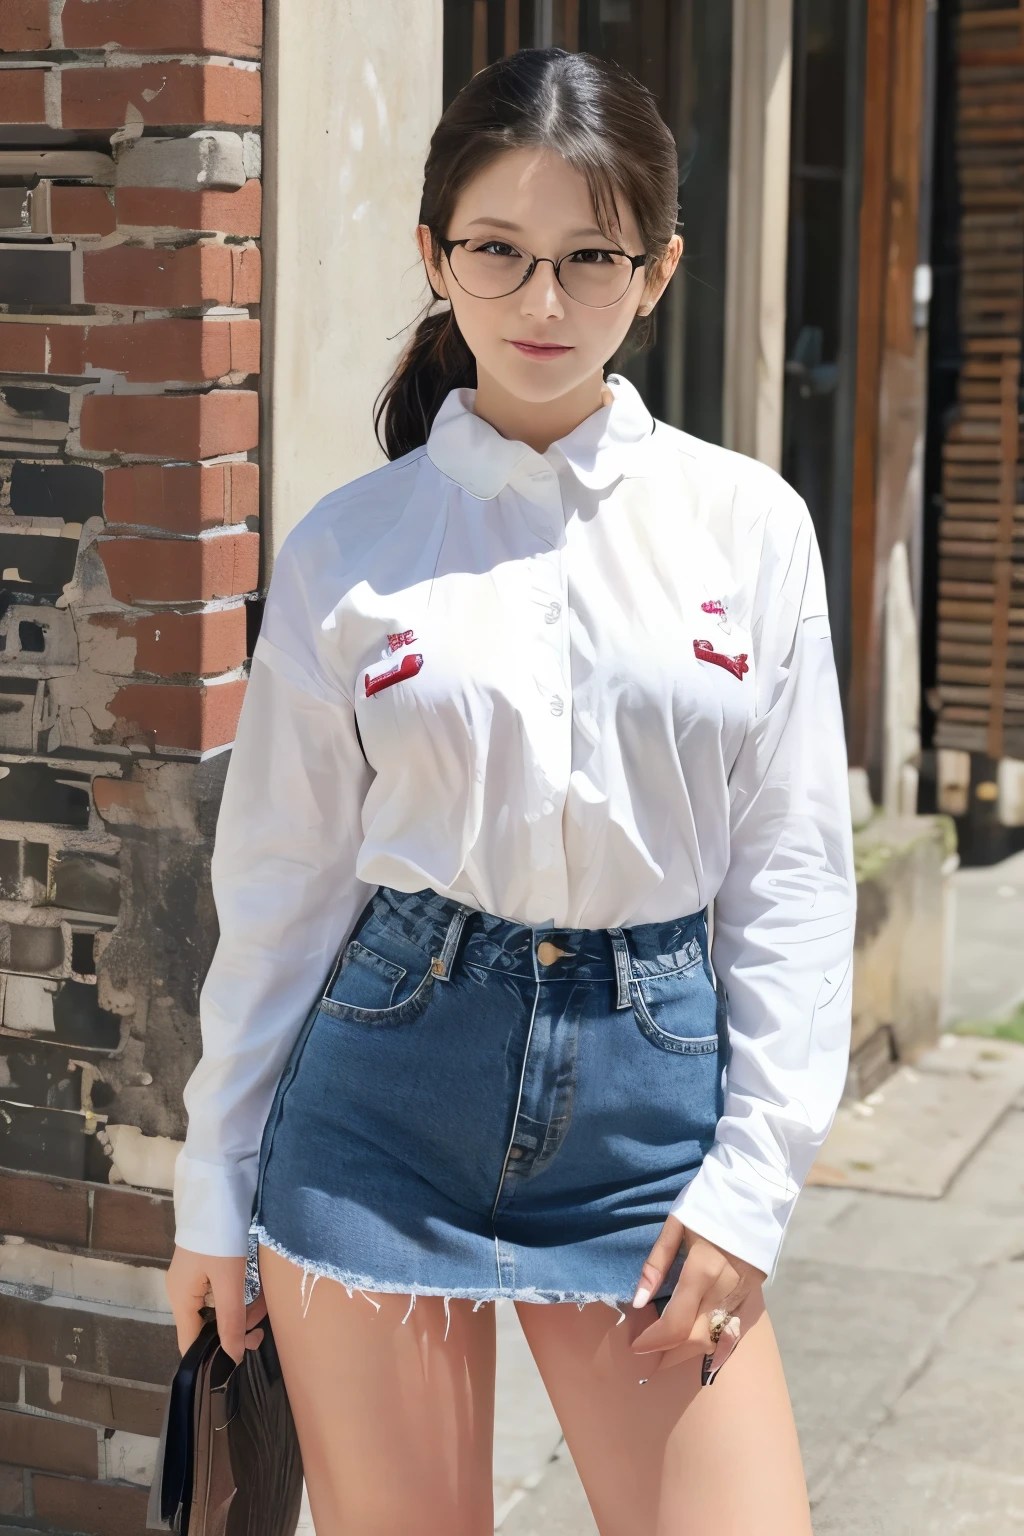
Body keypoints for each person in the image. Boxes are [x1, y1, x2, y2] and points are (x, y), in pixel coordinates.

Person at [167, 47, 856, 1536]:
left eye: (589, 258)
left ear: (657, 270)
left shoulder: (749, 527)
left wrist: (753, 1188)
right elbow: (280, 893)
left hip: (650, 1113)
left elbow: (793, 881)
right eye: (498, 251)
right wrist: (209, 1187)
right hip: (383, 1102)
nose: (544, 304)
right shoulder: (353, 547)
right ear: (434, 256)